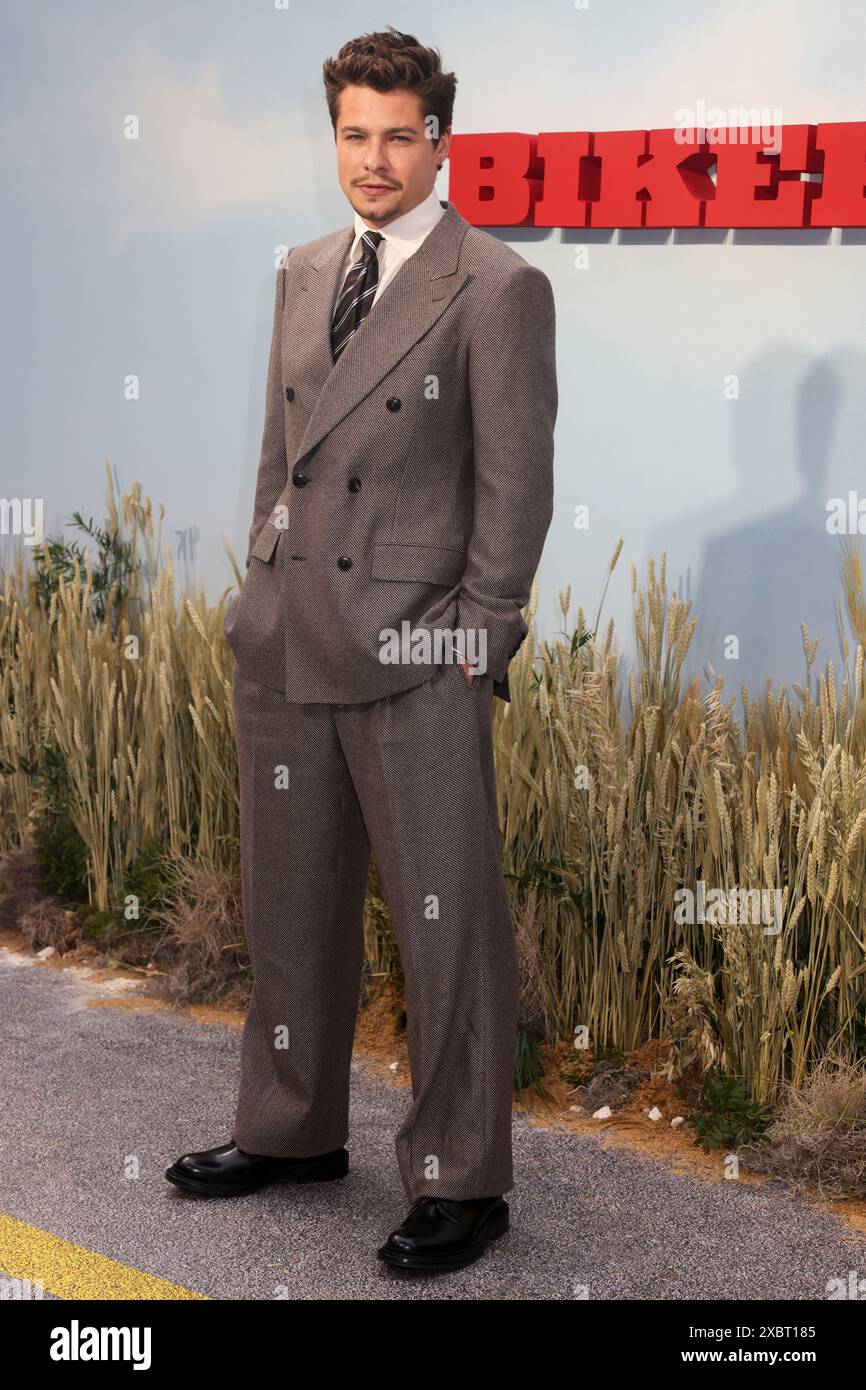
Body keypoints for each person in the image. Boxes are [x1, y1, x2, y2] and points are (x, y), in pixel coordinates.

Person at [166, 25, 557, 1275]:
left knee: (445, 926)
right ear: (332, 136)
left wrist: (475, 639)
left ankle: (461, 1179)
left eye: (398, 135)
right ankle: (290, 1131)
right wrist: (252, 590)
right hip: (286, 638)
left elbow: (516, 488)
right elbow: (282, 459)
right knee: (291, 906)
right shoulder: (301, 270)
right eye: (353, 134)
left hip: (413, 654)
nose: (373, 159)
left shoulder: (495, 287)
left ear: (438, 140)